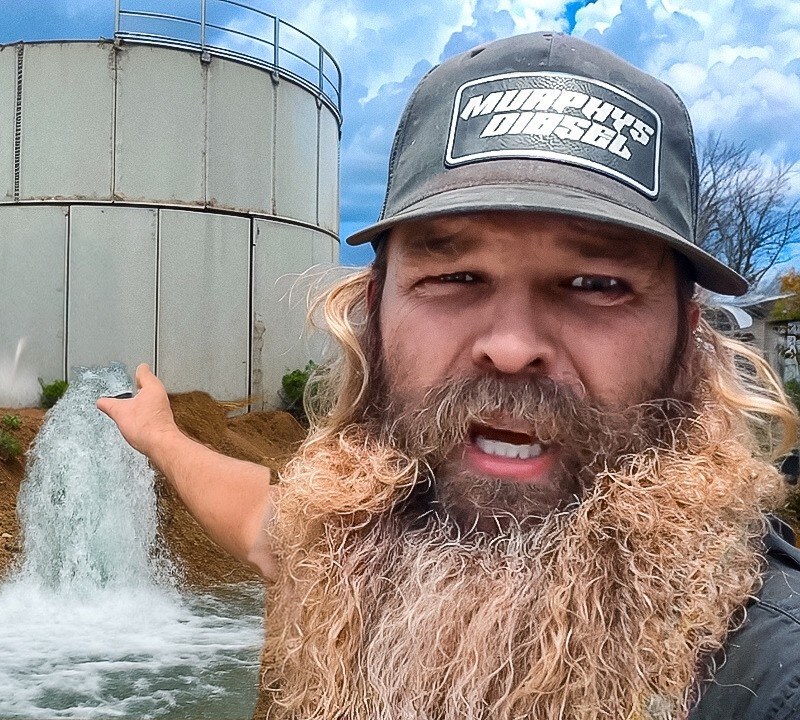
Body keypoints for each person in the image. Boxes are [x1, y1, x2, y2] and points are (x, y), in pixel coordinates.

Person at [98, 32, 800, 720]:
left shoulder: (765, 670)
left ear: (688, 336)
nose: (512, 346)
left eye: (595, 283)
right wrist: (159, 434)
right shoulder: (352, 541)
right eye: (455, 275)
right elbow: (258, 518)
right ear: (375, 314)